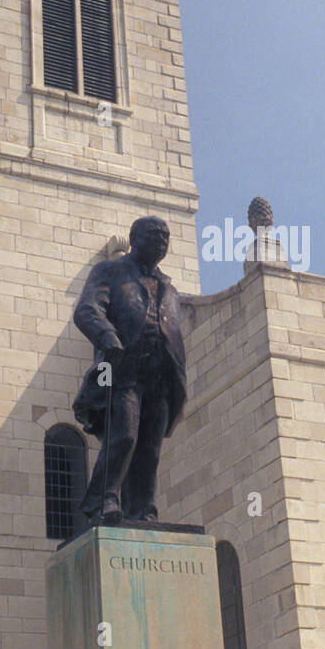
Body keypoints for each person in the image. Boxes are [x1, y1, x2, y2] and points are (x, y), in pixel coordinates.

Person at [72, 216, 186, 528]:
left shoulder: (169, 288)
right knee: (124, 434)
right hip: (123, 370)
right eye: (154, 235)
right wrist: (107, 335)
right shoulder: (110, 271)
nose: (161, 241)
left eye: (165, 236)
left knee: (150, 447)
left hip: (160, 376)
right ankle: (103, 500)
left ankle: (142, 509)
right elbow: (86, 309)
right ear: (134, 238)